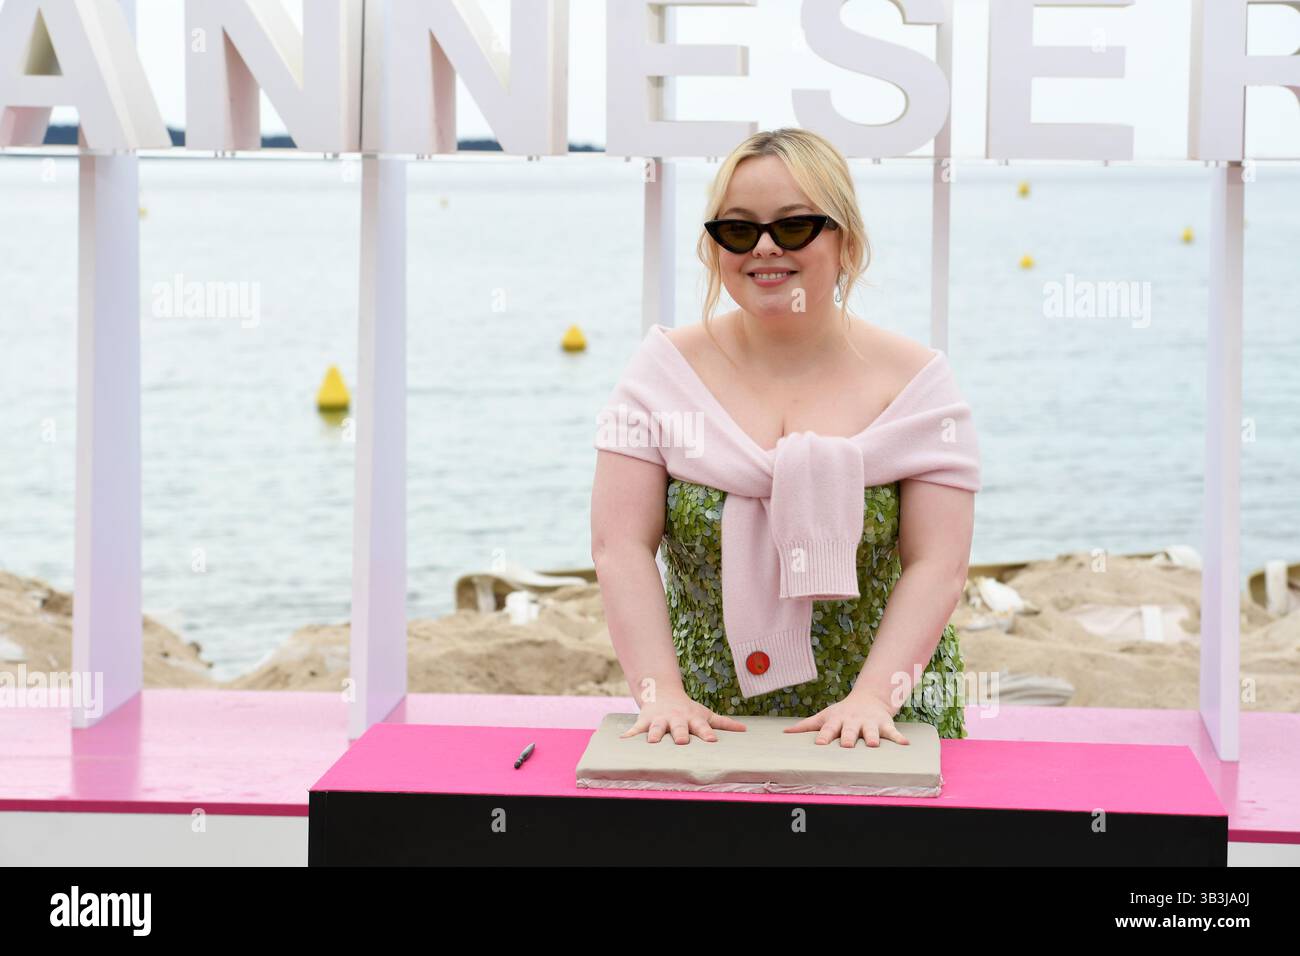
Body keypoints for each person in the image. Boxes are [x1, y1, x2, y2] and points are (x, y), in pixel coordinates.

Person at [590, 127, 978, 749]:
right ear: (714, 248)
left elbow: (939, 564)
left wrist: (875, 697)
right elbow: (619, 547)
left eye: (793, 226)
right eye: (739, 230)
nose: (764, 248)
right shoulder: (662, 374)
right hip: (707, 718)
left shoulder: (917, 384)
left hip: (888, 722)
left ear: (845, 242)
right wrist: (660, 692)